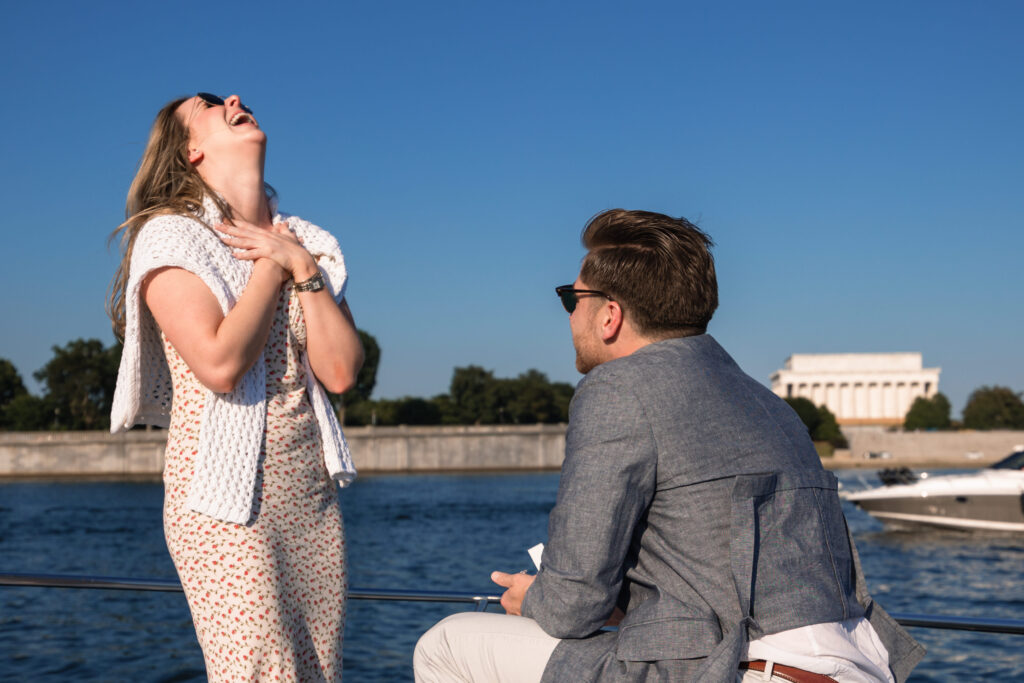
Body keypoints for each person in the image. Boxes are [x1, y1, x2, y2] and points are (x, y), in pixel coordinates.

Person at [414, 210, 924, 683]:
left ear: (609, 315)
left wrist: (532, 600)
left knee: (444, 643)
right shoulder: (771, 406)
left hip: (740, 671)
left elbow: (571, 606)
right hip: (855, 670)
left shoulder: (618, 388)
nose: (570, 316)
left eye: (572, 299)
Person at [108, 93, 363, 681]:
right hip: (224, 505)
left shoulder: (306, 241)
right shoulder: (171, 238)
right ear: (190, 150)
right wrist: (271, 266)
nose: (235, 99)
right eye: (208, 104)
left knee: (319, 672)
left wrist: (300, 265)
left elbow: (343, 371)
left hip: (310, 500)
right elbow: (220, 364)